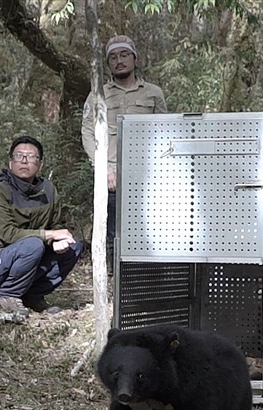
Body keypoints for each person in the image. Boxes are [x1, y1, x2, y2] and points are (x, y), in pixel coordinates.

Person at [81, 35, 167, 266]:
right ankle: (114, 282)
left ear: (134, 58)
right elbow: (88, 133)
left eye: (124, 55)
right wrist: (104, 170)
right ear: (108, 63)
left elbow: (164, 132)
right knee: (114, 234)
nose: (119, 61)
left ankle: (144, 278)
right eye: (113, 57)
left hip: (147, 178)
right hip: (112, 178)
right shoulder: (98, 94)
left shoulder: (153, 93)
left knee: (149, 231)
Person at [0, 135, 83, 314]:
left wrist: (56, 242)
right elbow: (8, 234)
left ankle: (32, 296)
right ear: (10, 162)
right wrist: (49, 236)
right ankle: (7, 294)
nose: (24, 161)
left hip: (31, 259)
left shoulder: (48, 190)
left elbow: (55, 225)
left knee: (74, 245)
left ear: (40, 164)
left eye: (31, 157)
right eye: (19, 156)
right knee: (33, 244)